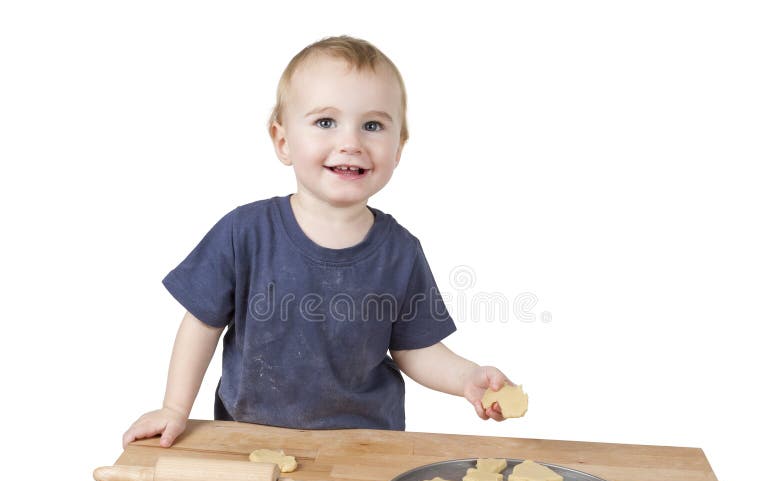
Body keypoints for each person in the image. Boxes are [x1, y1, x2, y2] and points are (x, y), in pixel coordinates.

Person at [123, 35, 513, 449]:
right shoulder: (244, 233)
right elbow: (202, 324)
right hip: (249, 440)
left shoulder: (401, 251)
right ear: (283, 140)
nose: (351, 142)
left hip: (366, 446)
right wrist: (173, 408)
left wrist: (468, 377)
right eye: (326, 122)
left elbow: (416, 349)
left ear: (398, 148)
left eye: (373, 125)